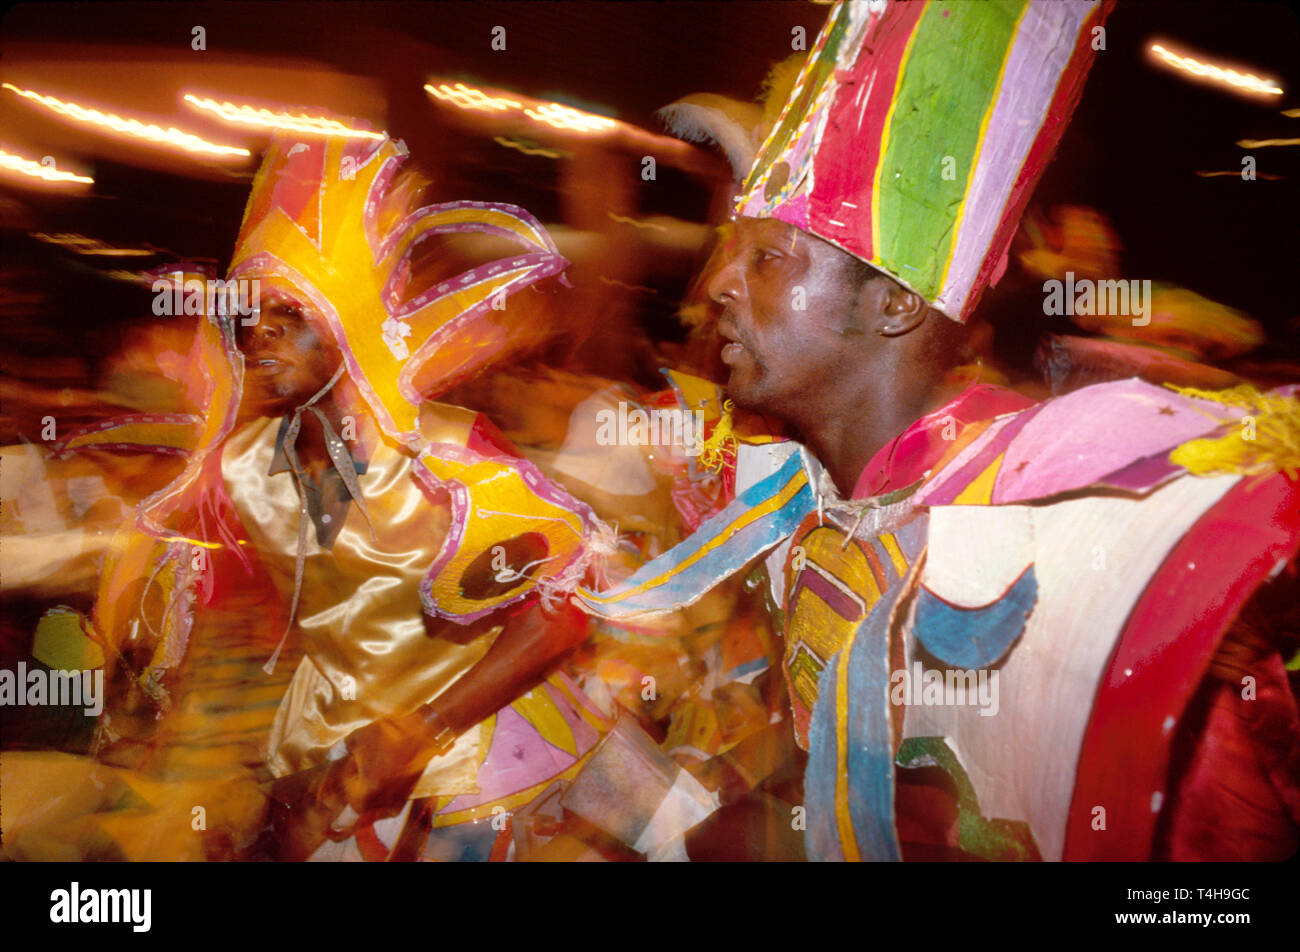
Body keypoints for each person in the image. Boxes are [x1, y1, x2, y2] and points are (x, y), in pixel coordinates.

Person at [577, 0, 1300, 861]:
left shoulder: (1046, 524)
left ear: (894, 305)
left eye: (767, 258)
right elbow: (833, 773)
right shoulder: (812, 508)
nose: (718, 284)